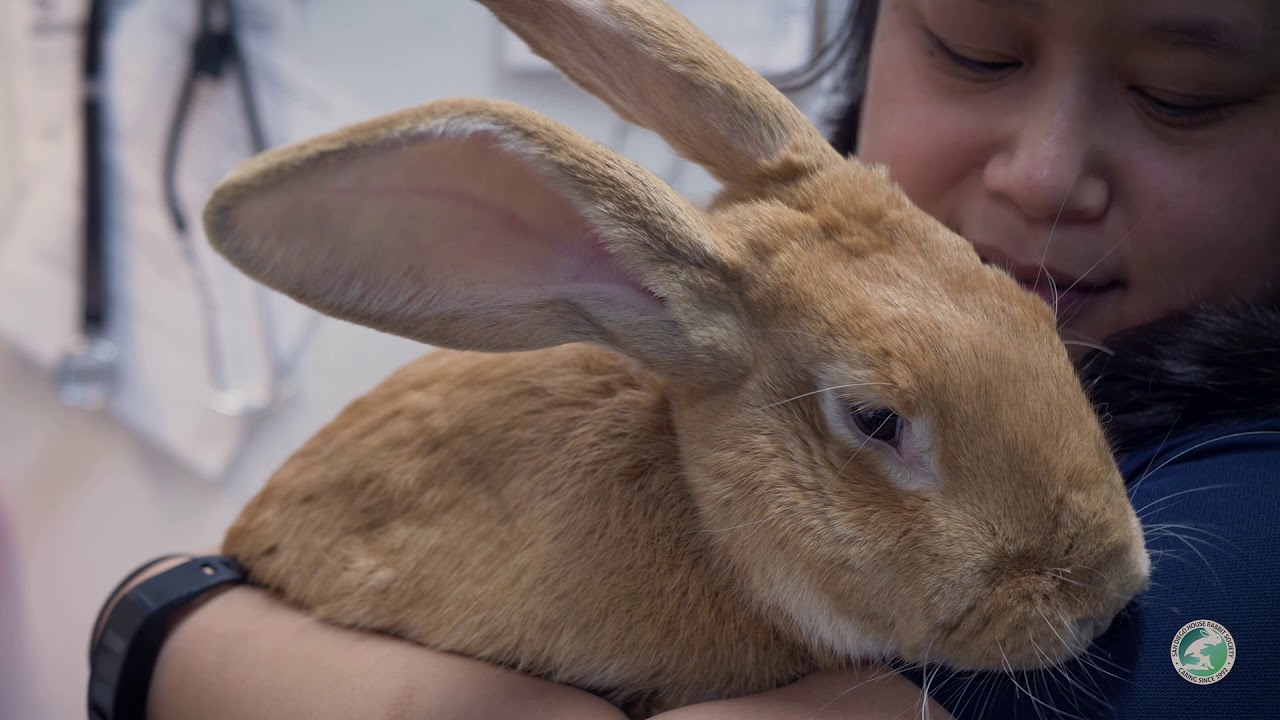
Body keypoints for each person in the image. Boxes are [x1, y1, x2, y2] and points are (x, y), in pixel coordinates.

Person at [92, 0, 1280, 717]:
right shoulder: (769, 348)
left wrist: (156, 634)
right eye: (972, 49)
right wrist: (159, 627)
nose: (1037, 174)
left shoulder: (1240, 511)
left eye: (1187, 93)